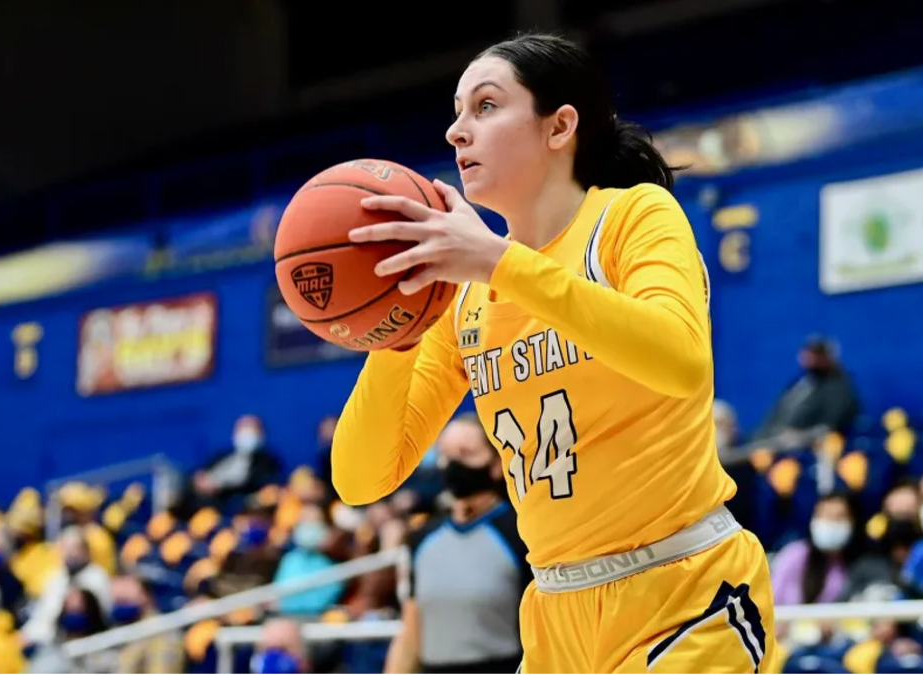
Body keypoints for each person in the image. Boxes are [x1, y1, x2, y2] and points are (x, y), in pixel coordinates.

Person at [332, 32, 776, 673]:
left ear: (560, 125)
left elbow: (682, 360)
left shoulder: (631, 217)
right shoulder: (465, 300)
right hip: (553, 613)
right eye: (455, 113)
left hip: (682, 590)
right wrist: (400, 323)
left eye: (485, 106)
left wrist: (498, 262)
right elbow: (360, 477)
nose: (457, 132)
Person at [386, 415, 529, 675]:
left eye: (466, 453)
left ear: (496, 463)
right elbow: (410, 633)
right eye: (446, 454)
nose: (453, 465)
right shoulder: (420, 539)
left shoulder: (521, 531)